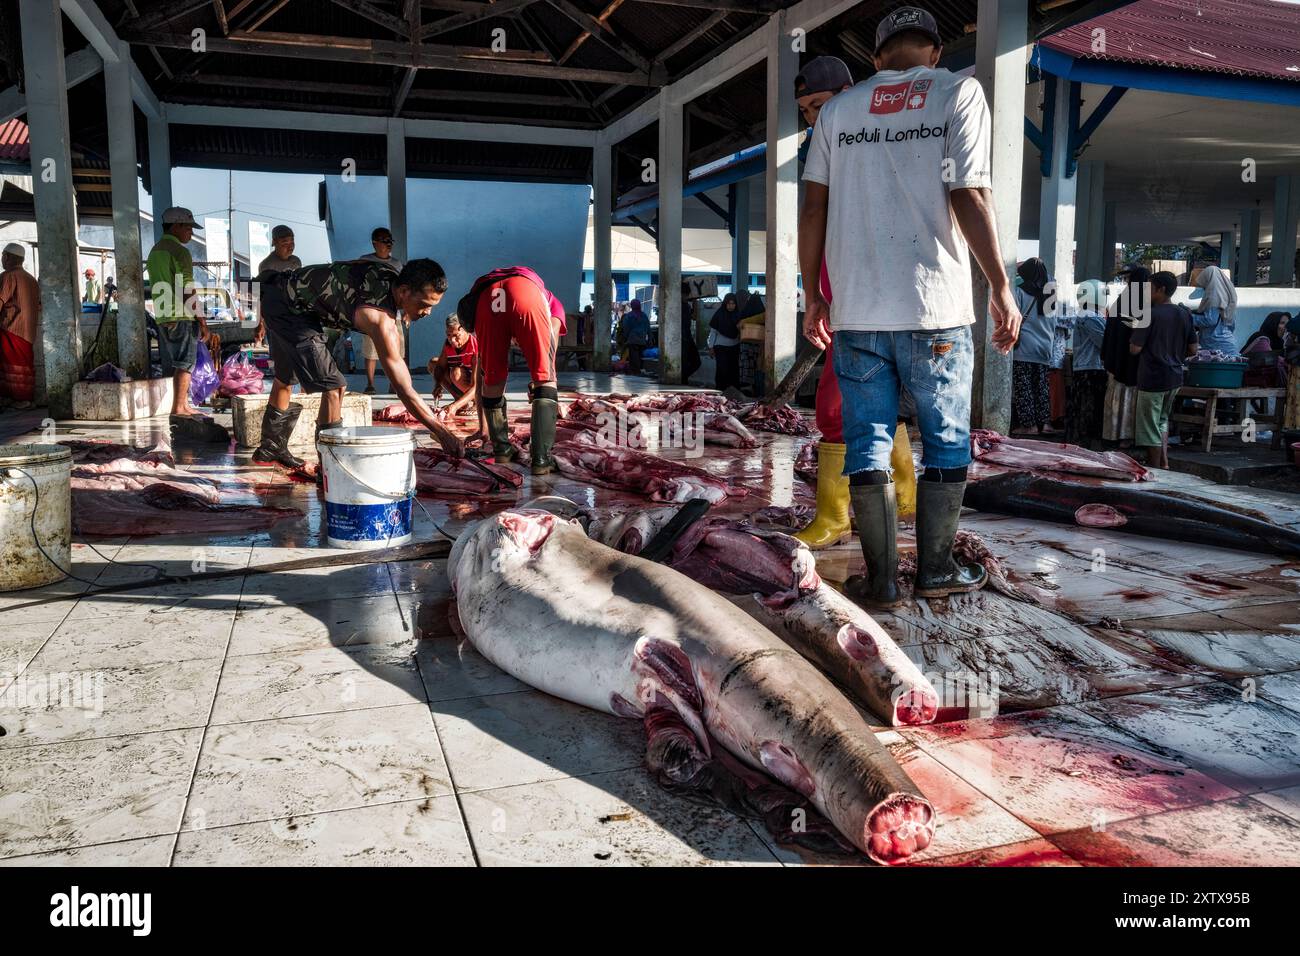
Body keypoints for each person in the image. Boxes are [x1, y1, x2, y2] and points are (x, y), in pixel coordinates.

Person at [799, 5, 1021, 605]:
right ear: (935, 48)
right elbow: (970, 192)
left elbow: (812, 207)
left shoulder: (840, 109)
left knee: (866, 439)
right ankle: (936, 569)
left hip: (858, 314)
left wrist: (812, 294)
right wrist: (1000, 284)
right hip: (937, 310)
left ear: (876, 58)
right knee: (945, 441)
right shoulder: (958, 92)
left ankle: (881, 578)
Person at [789, 55, 917, 549]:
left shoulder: (862, 140)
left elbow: (821, 216)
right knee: (872, 399)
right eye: (805, 110)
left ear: (848, 93)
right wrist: (817, 292)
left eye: (818, 104)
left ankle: (834, 516)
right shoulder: (833, 144)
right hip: (847, 289)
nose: (812, 118)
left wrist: (821, 296)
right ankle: (903, 495)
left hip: (864, 292)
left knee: (835, 405)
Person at [252, 258, 462, 469]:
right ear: (404, 292)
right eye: (424, 305)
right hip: (291, 310)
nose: (428, 312)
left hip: (278, 293)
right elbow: (404, 389)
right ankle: (329, 465)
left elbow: (353, 264)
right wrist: (442, 433)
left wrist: (407, 310)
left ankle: (270, 448)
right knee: (334, 386)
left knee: (285, 378)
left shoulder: (392, 273)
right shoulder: (379, 319)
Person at [456, 266, 565, 474]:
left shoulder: (480, 297)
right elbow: (549, 353)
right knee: (546, 377)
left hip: (486, 300)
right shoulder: (552, 303)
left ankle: (501, 449)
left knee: (493, 378)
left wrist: (483, 427)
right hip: (525, 292)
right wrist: (539, 380)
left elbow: (483, 377)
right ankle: (541, 460)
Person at [145, 206, 226, 442]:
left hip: (163, 315)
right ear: (176, 226)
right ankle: (180, 407)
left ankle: (182, 405)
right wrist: (202, 321)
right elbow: (186, 288)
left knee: (180, 363)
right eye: (188, 227)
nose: (190, 233)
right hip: (180, 315)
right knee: (186, 363)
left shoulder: (155, 251)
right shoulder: (179, 252)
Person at [1129, 271, 1197, 469]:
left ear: (1161, 290)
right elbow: (1193, 349)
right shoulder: (1185, 313)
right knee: (1162, 421)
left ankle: (1155, 469)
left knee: (1149, 427)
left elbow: (1135, 349)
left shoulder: (1148, 314)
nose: (1146, 292)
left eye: (1150, 288)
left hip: (1152, 377)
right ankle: (1164, 464)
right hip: (1175, 377)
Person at [1101, 266, 1148, 444]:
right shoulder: (1145, 303)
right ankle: (1129, 436)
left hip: (1116, 357)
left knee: (1117, 393)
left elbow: (1109, 333)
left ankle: (1113, 434)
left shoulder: (1120, 302)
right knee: (1132, 394)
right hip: (1135, 360)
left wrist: (1107, 354)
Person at [1011, 258, 1057, 435]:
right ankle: (1045, 424)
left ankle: (1028, 426)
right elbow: (1054, 323)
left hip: (1024, 348)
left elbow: (1015, 317)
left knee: (1024, 387)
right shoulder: (1050, 295)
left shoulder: (1020, 292)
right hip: (1045, 347)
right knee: (1042, 387)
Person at [357, 227, 406, 394]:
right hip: (371, 314)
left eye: (390, 240)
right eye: (384, 240)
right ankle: (370, 384)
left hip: (393, 314)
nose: (389, 244)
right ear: (375, 243)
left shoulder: (397, 264)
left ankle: (395, 384)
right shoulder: (364, 261)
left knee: (397, 350)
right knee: (371, 351)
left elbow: (404, 289)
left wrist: (406, 312)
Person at [1065, 279, 1109, 446]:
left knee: (1082, 409)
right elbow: (1104, 342)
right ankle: (1085, 446)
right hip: (1091, 368)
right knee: (1089, 411)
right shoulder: (1090, 316)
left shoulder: (1088, 314)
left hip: (1086, 367)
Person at [0, 242, 40, 407]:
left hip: (11, 327)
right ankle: (24, 398)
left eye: (3, 255)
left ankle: (18, 399)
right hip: (28, 331)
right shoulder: (31, 279)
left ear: (7, 257)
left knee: (8, 364)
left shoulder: (9, 276)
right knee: (23, 364)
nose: (2, 259)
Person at [428, 313, 478, 423]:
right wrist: (437, 385)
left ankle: (477, 403)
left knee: (456, 373)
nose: (453, 340)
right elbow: (440, 367)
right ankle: (460, 400)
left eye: (456, 335)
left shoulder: (476, 347)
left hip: (481, 387)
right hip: (465, 380)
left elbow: (476, 386)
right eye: (449, 335)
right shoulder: (448, 344)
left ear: (466, 330)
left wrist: (454, 407)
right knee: (433, 364)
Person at [1191, 264, 1239, 355]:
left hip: (1217, 345)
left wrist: (1188, 316)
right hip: (1227, 344)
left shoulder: (1214, 296)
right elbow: (1231, 325)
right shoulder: (1226, 297)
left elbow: (1210, 320)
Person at [708, 293, 742, 391]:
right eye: (729, 304)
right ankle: (720, 390)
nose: (731, 306)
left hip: (734, 346)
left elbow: (741, 332)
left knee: (733, 370)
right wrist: (711, 347)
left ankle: (733, 393)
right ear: (725, 304)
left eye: (733, 304)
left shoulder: (738, 315)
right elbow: (713, 332)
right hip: (720, 347)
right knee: (722, 369)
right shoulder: (719, 314)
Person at [621, 299, 650, 375]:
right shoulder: (644, 315)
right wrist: (649, 337)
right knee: (640, 355)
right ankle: (639, 369)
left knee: (633, 356)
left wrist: (626, 338)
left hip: (632, 339)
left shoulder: (629, 316)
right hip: (642, 339)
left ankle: (635, 371)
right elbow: (648, 327)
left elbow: (626, 328)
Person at [680, 295, 702, 383]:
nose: (686, 297)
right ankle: (682, 378)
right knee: (686, 362)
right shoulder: (679, 306)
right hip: (681, 338)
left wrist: (695, 302)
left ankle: (682, 377)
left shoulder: (687, 306)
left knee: (696, 362)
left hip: (687, 337)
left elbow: (694, 317)